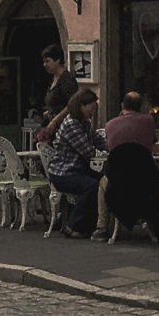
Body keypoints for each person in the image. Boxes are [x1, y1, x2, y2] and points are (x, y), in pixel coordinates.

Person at [47, 87, 105, 236]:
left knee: (104, 182)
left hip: (77, 169)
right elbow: (87, 151)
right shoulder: (72, 124)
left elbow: (97, 140)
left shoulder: (84, 122)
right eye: (91, 107)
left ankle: (95, 224)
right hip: (64, 173)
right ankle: (73, 225)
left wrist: (113, 145)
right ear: (81, 106)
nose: (93, 111)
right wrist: (100, 151)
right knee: (91, 186)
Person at [35, 45, 78, 137]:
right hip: (53, 128)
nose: (45, 65)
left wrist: (55, 121)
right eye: (44, 62)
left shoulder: (66, 80)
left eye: (47, 61)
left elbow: (72, 104)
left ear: (57, 60)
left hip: (64, 129)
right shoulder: (53, 78)